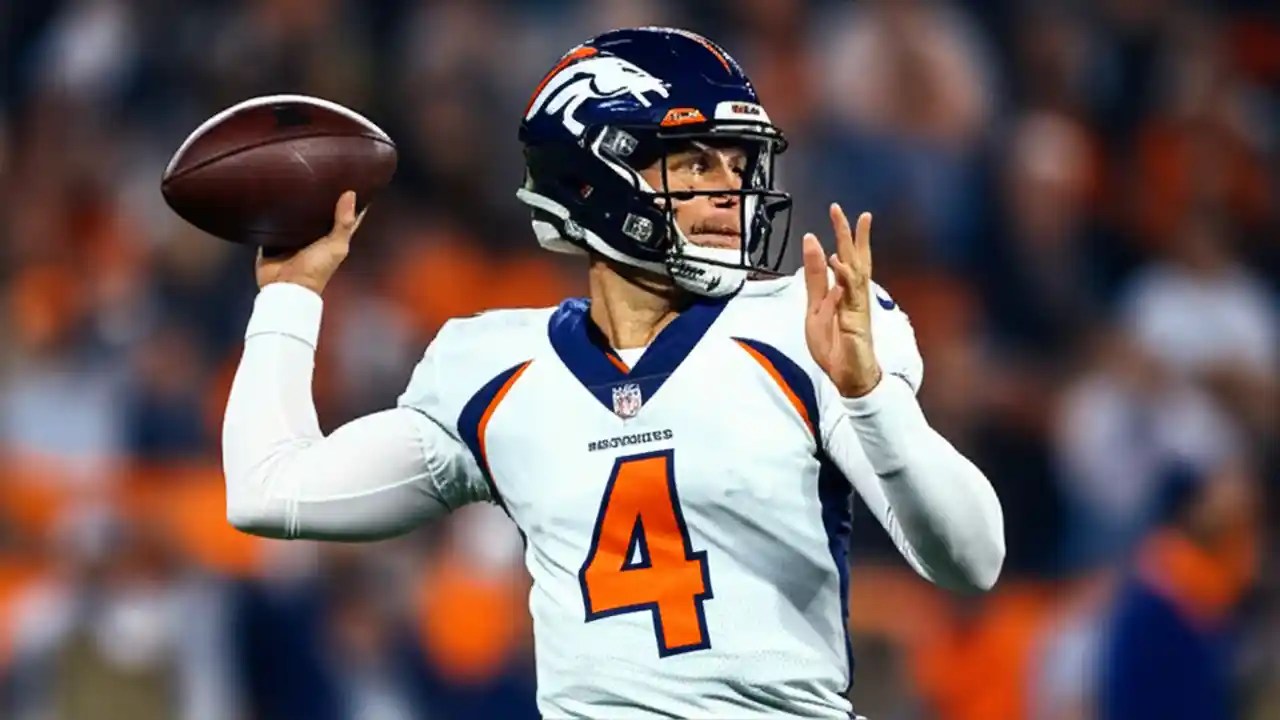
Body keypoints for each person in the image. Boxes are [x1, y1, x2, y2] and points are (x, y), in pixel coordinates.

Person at [222, 27, 1004, 719]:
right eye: (695, 161)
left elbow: (972, 560)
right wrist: (290, 298)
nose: (731, 189)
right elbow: (270, 490)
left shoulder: (803, 324)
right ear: (594, 180)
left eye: (737, 161)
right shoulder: (491, 368)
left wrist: (869, 397)